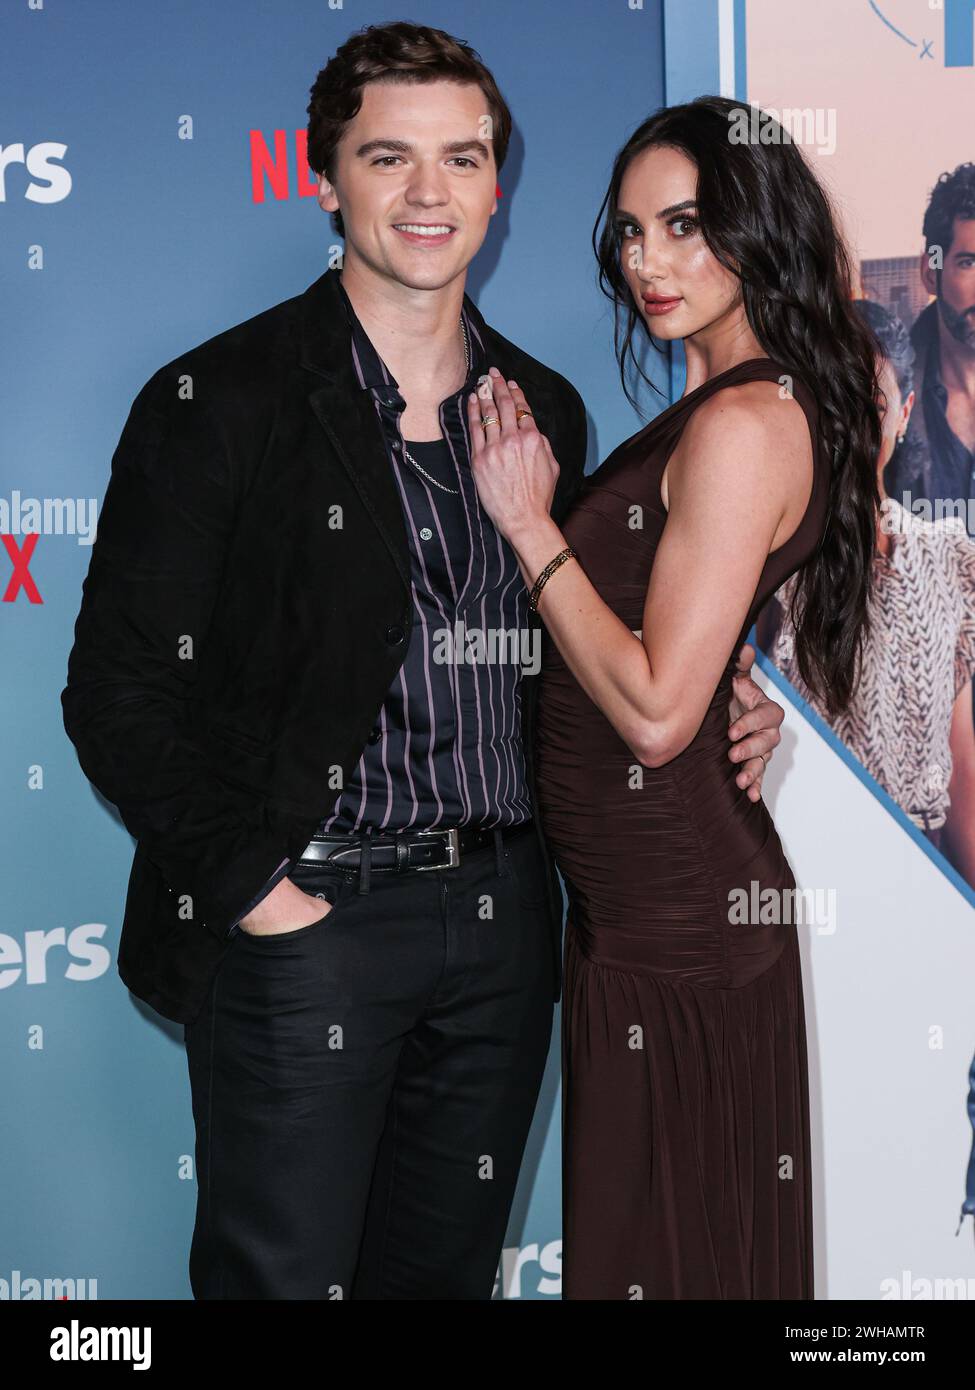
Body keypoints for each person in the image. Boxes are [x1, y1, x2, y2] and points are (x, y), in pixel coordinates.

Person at [60, 27, 785, 1301]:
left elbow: (587, 655)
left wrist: (729, 689)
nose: (429, 194)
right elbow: (117, 692)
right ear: (321, 174)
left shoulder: (543, 408)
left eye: (463, 158)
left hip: (506, 926)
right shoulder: (219, 400)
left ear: (499, 187)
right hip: (307, 923)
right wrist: (258, 895)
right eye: (388, 157)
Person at [470, 95, 881, 1298]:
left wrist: (527, 526)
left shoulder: (747, 421)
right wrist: (734, 688)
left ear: (754, 225)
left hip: (680, 928)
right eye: (633, 233)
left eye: (686, 226)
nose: (650, 262)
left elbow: (652, 712)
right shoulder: (728, 406)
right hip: (639, 919)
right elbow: (679, 663)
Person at [760, 301, 975, 887]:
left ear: (903, 413)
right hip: (808, 876)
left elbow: (961, 780)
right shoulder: (773, 558)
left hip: (923, 882)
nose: (855, 421)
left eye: (873, 400)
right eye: (837, 398)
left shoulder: (949, 560)